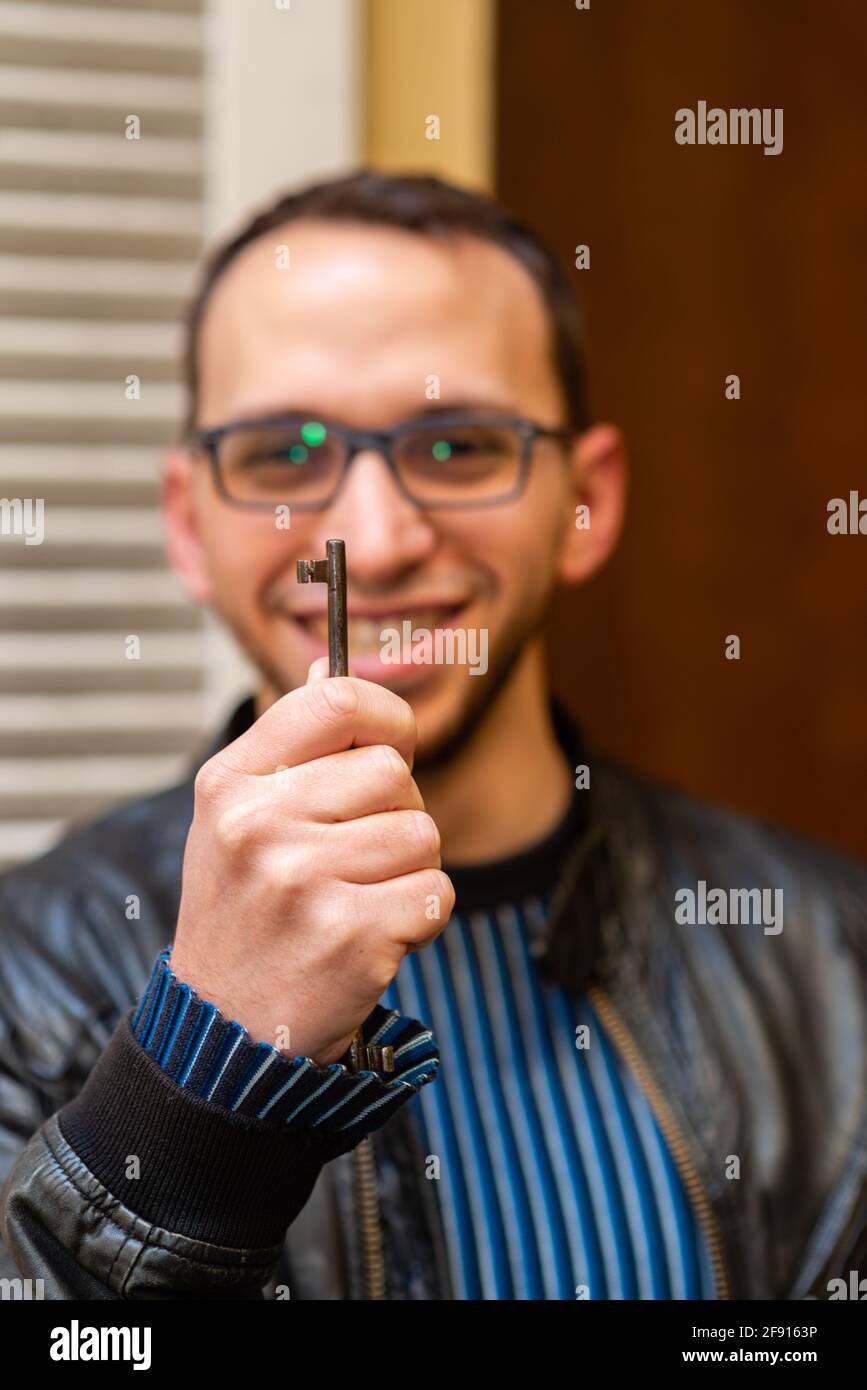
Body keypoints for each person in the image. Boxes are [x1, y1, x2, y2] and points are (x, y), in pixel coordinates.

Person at [1, 170, 865, 1302]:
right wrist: (196, 1082)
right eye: (284, 452)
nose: (377, 535)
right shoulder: (27, 980)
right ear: (189, 523)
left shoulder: (837, 959)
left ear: (585, 500)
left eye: (457, 447)